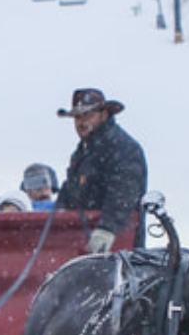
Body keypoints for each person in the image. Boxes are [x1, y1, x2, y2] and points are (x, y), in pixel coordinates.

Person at [56, 87, 148, 252]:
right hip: (82, 242)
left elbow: (124, 192)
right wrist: (59, 214)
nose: (81, 123)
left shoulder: (123, 148)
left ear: (104, 115)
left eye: (88, 115)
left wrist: (107, 229)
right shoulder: (81, 153)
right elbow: (71, 191)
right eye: (77, 117)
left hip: (119, 245)